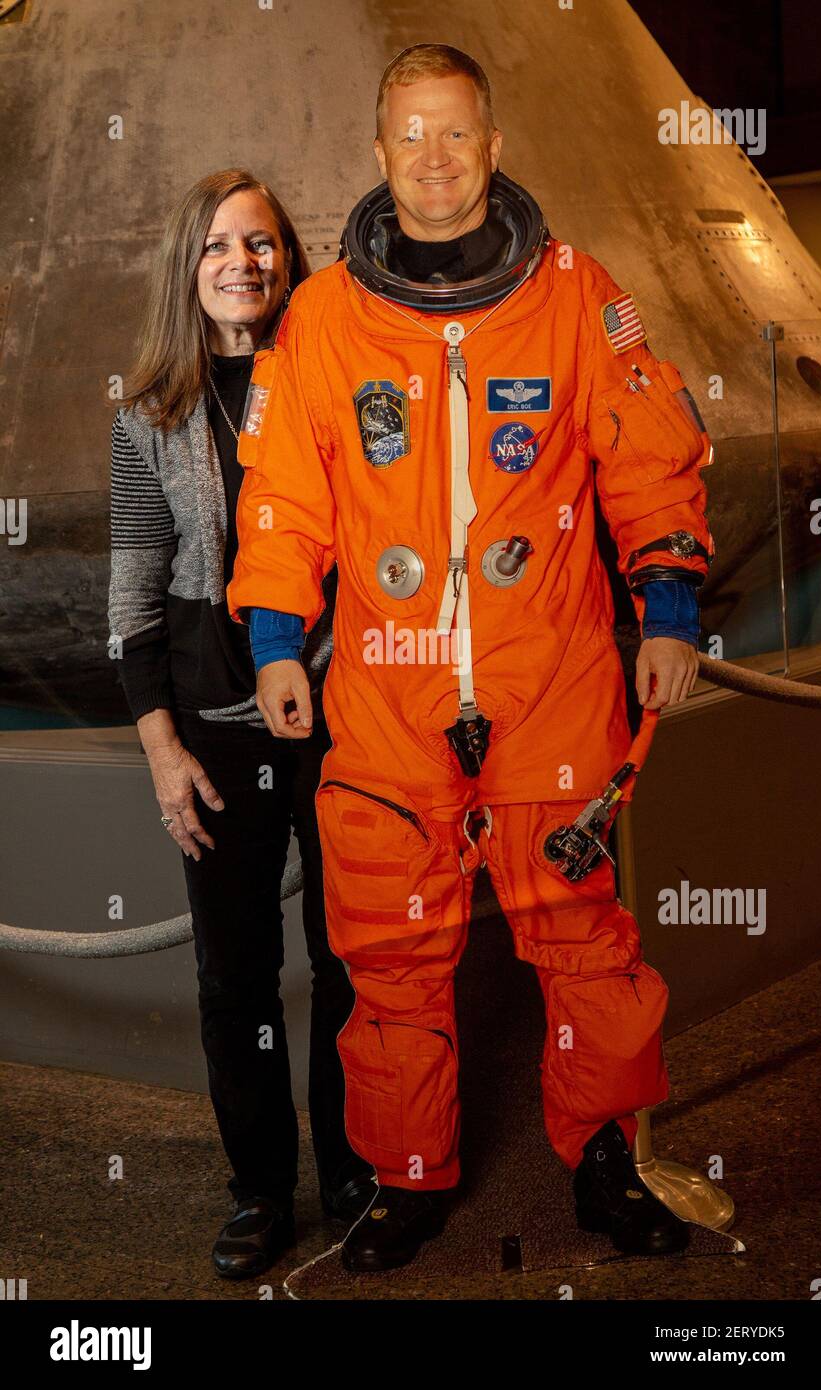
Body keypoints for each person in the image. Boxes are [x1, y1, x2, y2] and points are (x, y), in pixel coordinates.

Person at [227, 46, 715, 1273]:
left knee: (582, 937)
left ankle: (608, 1164)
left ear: (492, 150)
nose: (434, 161)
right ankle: (404, 1180)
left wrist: (665, 603)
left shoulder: (573, 296)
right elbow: (284, 498)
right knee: (388, 949)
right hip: (387, 689)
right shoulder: (325, 316)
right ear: (379, 152)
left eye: (457, 137)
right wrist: (277, 639)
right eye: (410, 137)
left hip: (548, 675)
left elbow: (646, 459)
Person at [106, 169, 374, 1281]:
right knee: (236, 978)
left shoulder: (335, 380)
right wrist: (164, 750)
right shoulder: (148, 415)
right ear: (190, 264)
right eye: (220, 244)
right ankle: (263, 1191)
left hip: (342, 717)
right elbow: (130, 607)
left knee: (350, 959)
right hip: (217, 732)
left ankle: (361, 1172)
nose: (242, 262)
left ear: (287, 260)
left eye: (261, 243)